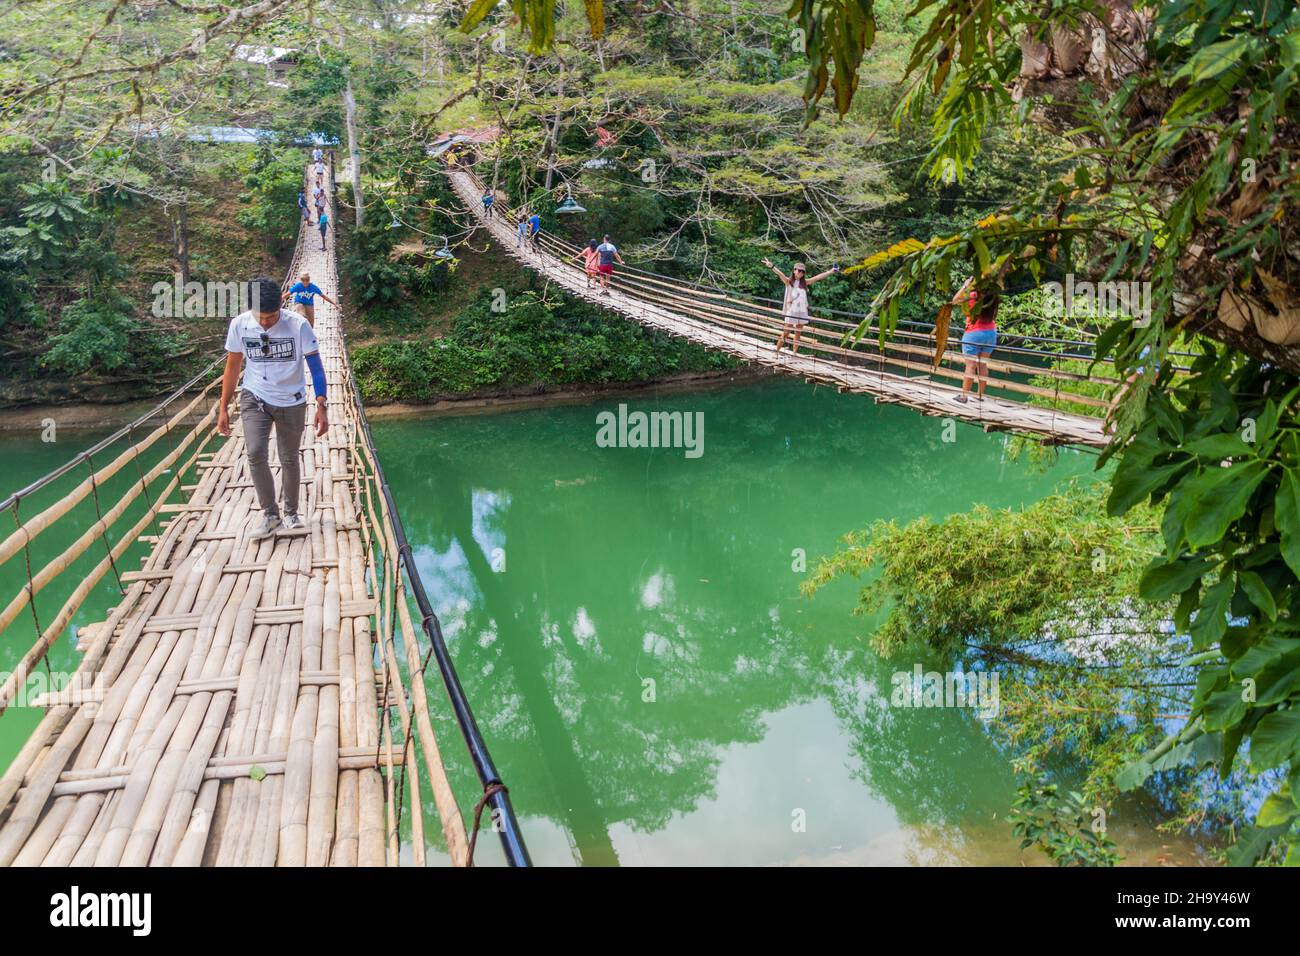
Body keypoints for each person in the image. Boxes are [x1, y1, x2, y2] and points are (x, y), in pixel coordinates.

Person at [218, 277, 328, 538]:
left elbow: (316, 366)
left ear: (282, 303)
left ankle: (291, 513)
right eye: (260, 317)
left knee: (289, 457)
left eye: (271, 316)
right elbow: (233, 366)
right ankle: (270, 514)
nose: (265, 322)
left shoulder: (298, 325)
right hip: (254, 395)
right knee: (255, 453)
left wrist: (321, 403)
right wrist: (223, 407)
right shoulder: (240, 325)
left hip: (291, 399)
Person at [763, 257, 837, 355]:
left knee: (798, 333)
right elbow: (780, 274)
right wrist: (772, 266)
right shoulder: (788, 281)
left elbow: (818, 277)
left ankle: (794, 353)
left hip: (802, 310)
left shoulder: (804, 283)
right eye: (799, 270)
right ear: (794, 271)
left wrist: (831, 271)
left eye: (802, 271)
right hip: (792, 310)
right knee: (786, 332)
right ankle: (777, 351)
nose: (801, 273)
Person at [954, 277, 1000, 403]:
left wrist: (965, 286)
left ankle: (964, 396)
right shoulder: (993, 297)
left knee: (970, 365)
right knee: (983, 365)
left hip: (973, 333)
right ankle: (979, 395)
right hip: (990, 333)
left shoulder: (973, 297)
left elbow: (955, 300)